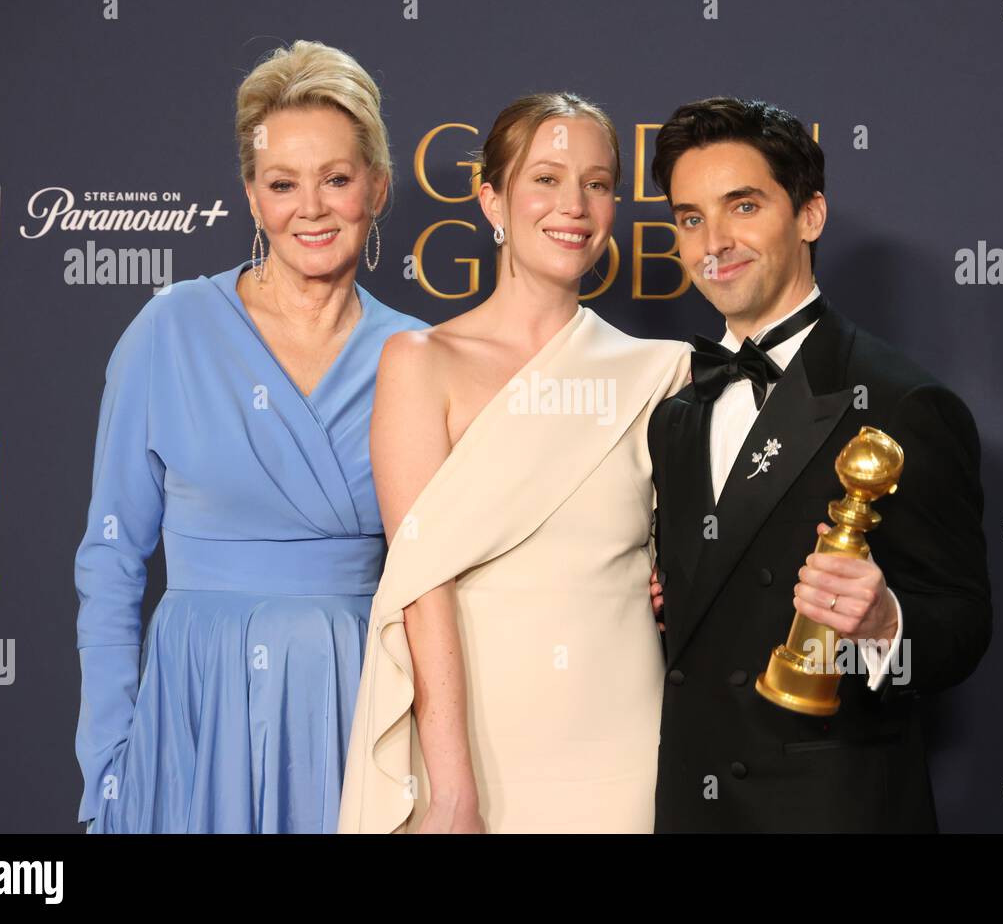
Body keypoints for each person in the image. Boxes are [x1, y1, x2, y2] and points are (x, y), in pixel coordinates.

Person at [74, 40, 427, 833]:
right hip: (195, 707)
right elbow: (110, 559)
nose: (311, 207)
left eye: (336, 179)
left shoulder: (418, 357)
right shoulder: (170, 329)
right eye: (282, 184)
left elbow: (461, 571)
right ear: (250, 194)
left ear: (376, 185)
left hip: (357, 709)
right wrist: (108, 763)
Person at [337, 92, 692, 833]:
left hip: (623, 743)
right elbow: (419, 586)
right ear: (491, 199)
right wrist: (453, 786)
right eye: (547, 177)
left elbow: (683, 558)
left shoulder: (662, 371)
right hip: (476, 747)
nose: (575, 204)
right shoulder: (419, 362)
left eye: (598, 183)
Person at [646, 97, 992, 832]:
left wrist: (883, 621)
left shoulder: (903, 401)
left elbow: (962, 627)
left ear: (809, 215)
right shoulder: (676, 414)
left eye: (743, 205)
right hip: (690, 804)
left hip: (828, 810)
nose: (714, 240)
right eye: (689, 217)